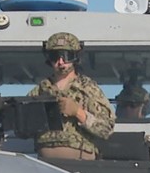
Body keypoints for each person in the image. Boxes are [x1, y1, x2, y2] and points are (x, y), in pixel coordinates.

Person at [27, 32, 115, 160]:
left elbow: (106, 129)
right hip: (45, 164)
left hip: (79, 164)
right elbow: (25, 127)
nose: (61, 62)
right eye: (55, 56)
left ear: (75, 57)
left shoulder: (88, 89)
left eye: (66, 56)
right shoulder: (41, 90)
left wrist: (78, 113)